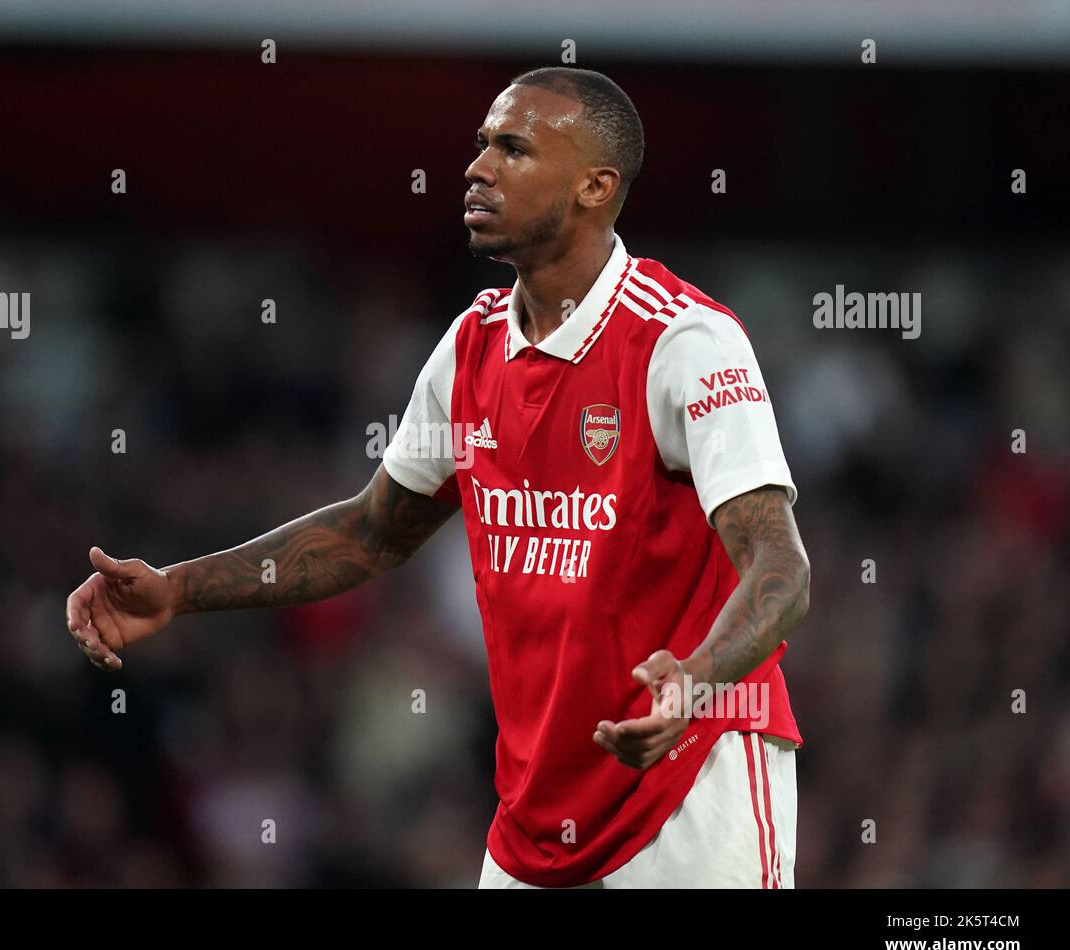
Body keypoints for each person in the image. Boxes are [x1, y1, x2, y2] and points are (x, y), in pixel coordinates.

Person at [66, 66, 811, 889]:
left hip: (693, 786)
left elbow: (781, 568)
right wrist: (177, 589)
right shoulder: (471, 347)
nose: (478, 167)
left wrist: (695, 684)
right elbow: (370, 531)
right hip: (538, 813)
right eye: (483, 143)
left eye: (514, 148)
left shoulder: (684, 343)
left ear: (597, 186)